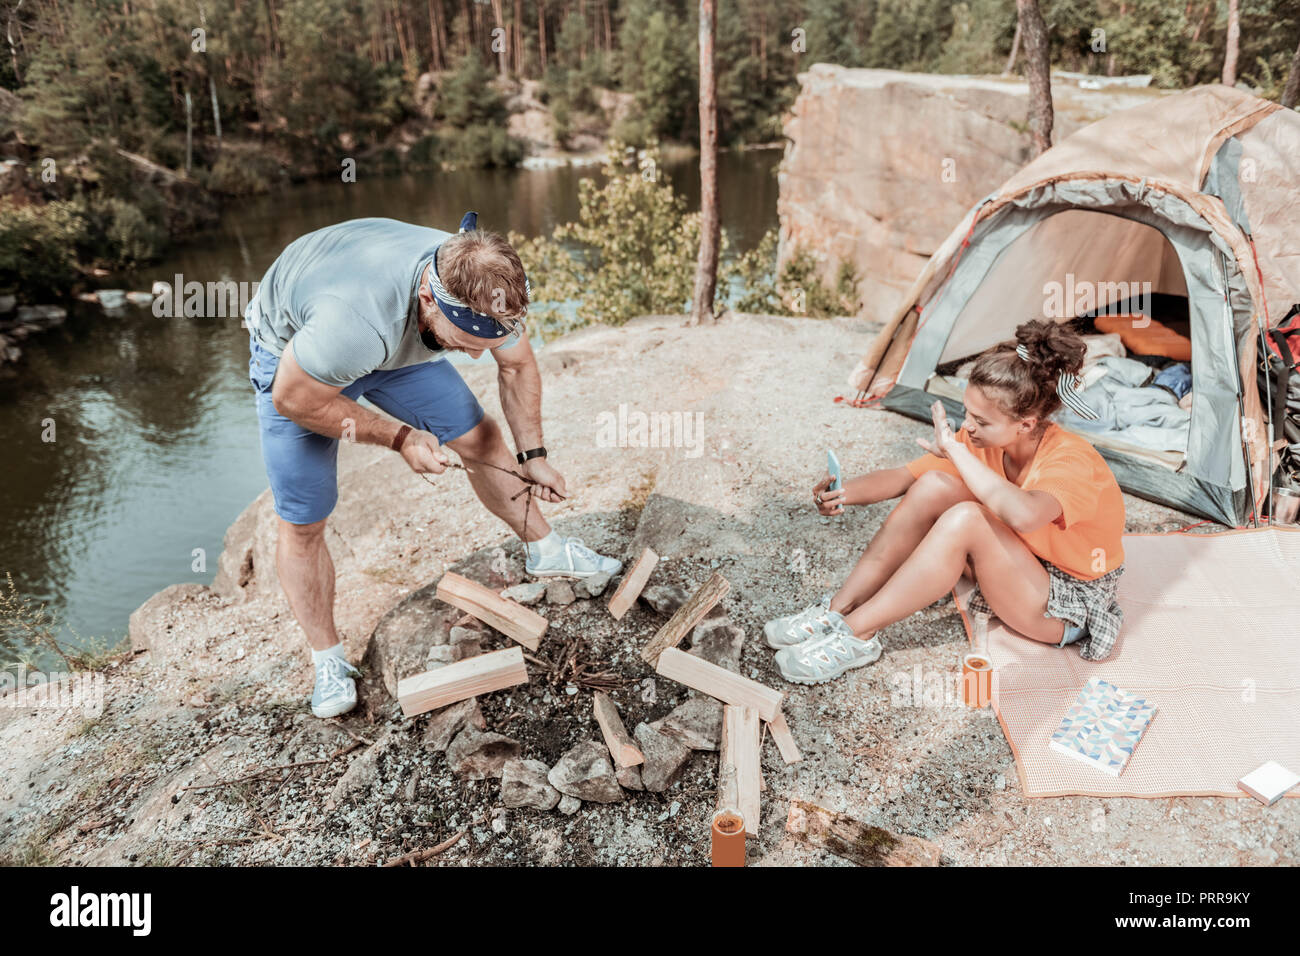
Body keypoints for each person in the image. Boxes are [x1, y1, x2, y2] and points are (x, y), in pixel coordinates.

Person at [245, 214, 622, 718]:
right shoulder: (351, 325)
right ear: (429, 299)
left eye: (482, 346)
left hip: (394, 345)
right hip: (301, 364)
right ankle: (328, 660)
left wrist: (534, 457)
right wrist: (400, 438)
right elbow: (293, 398)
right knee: (304, 520)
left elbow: (515, 365)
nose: (472, 358)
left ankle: (545, 547)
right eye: (465, 344)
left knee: (482, 436)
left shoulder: (487, 284)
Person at [765, 319, 1126, 685]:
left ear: (1026, 425)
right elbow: (906, 477)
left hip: (1065, 605)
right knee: (935, 483)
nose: (967, 427)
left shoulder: (1071, 461)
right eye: (967, 412)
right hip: (1026, 565)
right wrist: (842, 493)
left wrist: (954, 451)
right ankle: (839, 609)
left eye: (981, 421)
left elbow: (1024, 515)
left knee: (968, 518)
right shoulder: (985, 439)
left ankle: (857, 635)